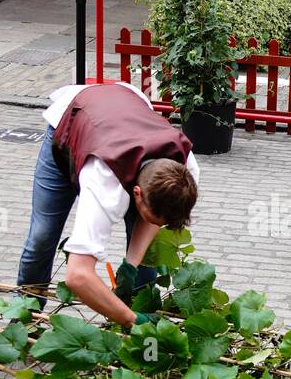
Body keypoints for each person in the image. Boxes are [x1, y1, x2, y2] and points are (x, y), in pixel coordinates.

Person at [16, 80, 199, 326]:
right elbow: (78, 276)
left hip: (125, 110)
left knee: (146, 257)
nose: (154, 224)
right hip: (70, 124)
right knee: (42, 235)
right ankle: (25, 315)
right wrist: (133, 321)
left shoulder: (184, 170)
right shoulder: (104, 182)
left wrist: (131, 264)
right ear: (136, 194)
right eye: (151, 216)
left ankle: (141, 315)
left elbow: (157, 220)